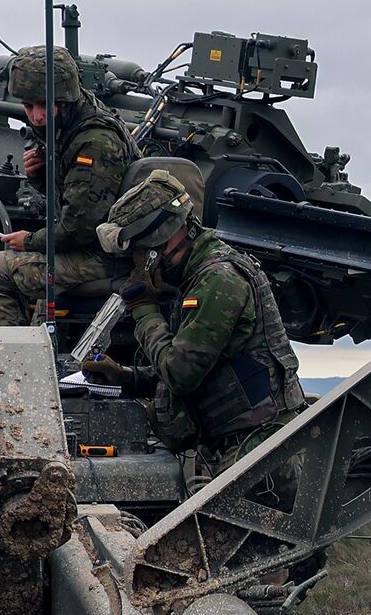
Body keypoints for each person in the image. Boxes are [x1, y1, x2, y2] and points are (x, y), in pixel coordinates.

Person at [81, 170, 309, 473]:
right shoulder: (197, 277)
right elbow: (197, 368)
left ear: (161, 242)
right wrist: (127, 377)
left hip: (260, 457)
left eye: (139, 251)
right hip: (242, 449)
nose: (137, 262)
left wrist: (145, 311)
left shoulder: (218, 280)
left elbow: (180, 373)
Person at [0, 45, 136, 327]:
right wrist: (41, 176)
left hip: (105, 257)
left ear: (65, 99)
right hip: (100, 248)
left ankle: (10, 363)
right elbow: (81, 200)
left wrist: (29, 241)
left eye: (43, 105)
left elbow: (77, 229)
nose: (36, 116)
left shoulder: (94, 141)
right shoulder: (76, 122)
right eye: (28, 106)